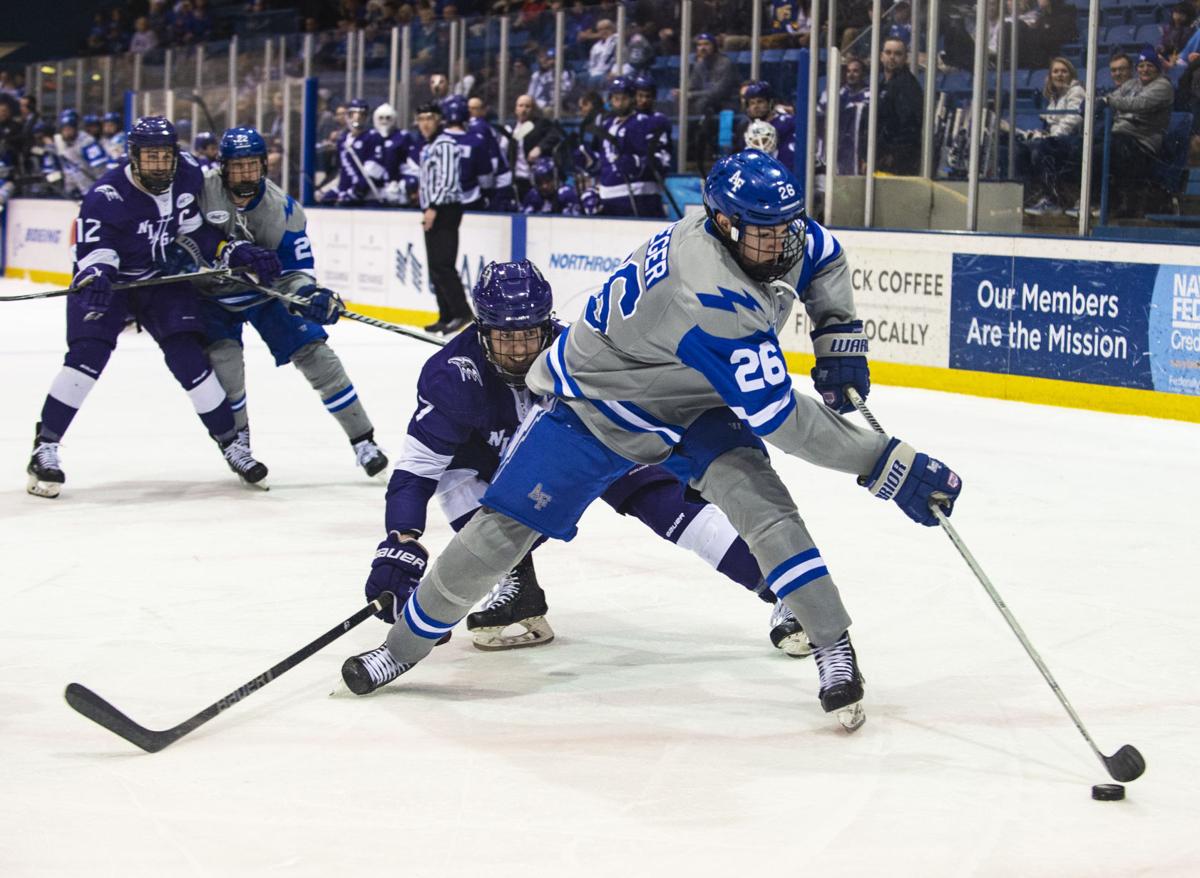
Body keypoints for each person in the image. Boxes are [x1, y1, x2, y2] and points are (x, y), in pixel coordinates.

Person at [340, 149, 962, 734]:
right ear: (723, 223)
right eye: (763, 233)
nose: (779, 245)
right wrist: (886, 462)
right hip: (600, 406)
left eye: (783, 230)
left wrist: (839, 334)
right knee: (498, 532)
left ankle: (833, 644)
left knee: (766, 510)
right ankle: (399, 651)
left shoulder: (756, 234)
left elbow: (823, 257)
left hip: (688, 399)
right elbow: (784, 422)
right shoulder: (710, 295)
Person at [372, 259, 806, 652]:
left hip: (583, 440)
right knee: (457, 473)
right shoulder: (454, 375)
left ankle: (783, 590)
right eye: (506, 338)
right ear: (481, 330)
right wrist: (400, 540)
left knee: (661, 499)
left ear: (547, 324)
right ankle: (515, 584)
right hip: (502, 463)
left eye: (528, 335)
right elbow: (417, 469)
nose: (520, 350)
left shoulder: (580, 353)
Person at [25, 116, 278, 499]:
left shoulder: (189, 174)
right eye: (150, 157)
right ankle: (45, 446)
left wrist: (231, 249)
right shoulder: (105, 195)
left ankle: (232, 444)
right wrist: (96, 275)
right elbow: (95, 250)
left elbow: (196, 229)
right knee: (86, 357)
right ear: (133, 157)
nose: (159, 165)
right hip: (113, 284)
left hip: (161, 282)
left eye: (165, 156)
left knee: (189, 356)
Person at [196, 126, 390, 479]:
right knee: (226, 365)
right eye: (237, 167)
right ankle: (237, 445)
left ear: (264, 167)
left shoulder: (283, 209)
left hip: (264, 294)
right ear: (223, 167)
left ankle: (363, 440)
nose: (245, 175)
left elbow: (297, 272)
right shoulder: (200, 190)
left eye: (252, 166)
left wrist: (309, 296)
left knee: (317, 354)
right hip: (212, 297)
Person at [1081, 46, 1175, 217]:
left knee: (1098, 152)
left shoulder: (1163, 86)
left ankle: (1101, 202)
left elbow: (1138, 104)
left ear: (1157, 67)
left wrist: (1107, 101)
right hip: (1122, 137)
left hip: (1142, 142)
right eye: (1141, 65)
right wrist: (1094, 101)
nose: (1145, 69)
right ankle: (1091, 201)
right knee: (1084, 147)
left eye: (1149, 65)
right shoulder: (1133, 84)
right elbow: (1114, 95)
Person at [416, 102, 472, 334]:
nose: (425, 123)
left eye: (429, 118)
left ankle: (462, 312)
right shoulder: (429, 147)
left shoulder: (445, 144)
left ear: (439, 119)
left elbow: (447, 180)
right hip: (433, 207)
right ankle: (445, 314)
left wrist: (434, 207)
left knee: (443, 264)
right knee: (434, 266)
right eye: (421, 118)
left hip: (445, 208)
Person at [581, 76, 664, 217]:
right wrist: (587, 161)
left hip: (637, 196)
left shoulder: (644, 123)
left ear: (632, 99)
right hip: (607, 195)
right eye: (615, 98)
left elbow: (658, 160)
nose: (619, 103)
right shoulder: (606, 124)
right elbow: (602, 161)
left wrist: (635, 163)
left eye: (623, 98)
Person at [1020, 57, 1086, 216]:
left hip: (1072, 140)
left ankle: (1052, 200)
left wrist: (1050, 137)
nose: (1060, 75)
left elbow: (1074, 119)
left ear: (1071, 74)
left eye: (1064, 71)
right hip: (1056, 139)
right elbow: (1052, 124)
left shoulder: (1076, 91)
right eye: (1055, 71)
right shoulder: (1054, 97)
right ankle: (1030, 198)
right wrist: (1042, 134)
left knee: (1040, 148)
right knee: (1021, 148)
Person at [817, 56, 870, 176]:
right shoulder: (838, 92)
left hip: (858, 150)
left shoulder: (870, 94)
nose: (851, 74)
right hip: (840, 150)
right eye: (849, 71)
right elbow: (821, 112)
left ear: (863, 74)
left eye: (856, 71)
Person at [876, 37, 923, 175]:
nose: (892, 57)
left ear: (905, 58)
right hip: (879, 157)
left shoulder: (908, 86)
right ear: (881, 56)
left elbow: (909, 126)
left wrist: (893, 154)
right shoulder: (881, 84)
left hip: (897, 163)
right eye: (888, 52)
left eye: (897, 54)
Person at [440, 95, 494, 212]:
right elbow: (486, 180)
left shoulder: (435, 141)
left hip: (441, 201)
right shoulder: (476, 141)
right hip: (471, 200)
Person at [507, 93, 561, 202]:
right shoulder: (512, 128)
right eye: (521, 106)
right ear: (516, 109)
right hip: (517, 178)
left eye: (527, 106)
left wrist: (539, 148)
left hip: (536, 178)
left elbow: (554, 135)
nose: (524, 109)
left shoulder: (540, 124)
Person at [332, 98, 386, 204]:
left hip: (367, 198)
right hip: (344, 193)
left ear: (367, 117)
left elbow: (374, 170)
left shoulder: (373, 137)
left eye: (362, 115)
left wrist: (355, 192)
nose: (357, 118)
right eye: (353, 114)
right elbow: (341, 171)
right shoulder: (343, 139)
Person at [734, 80, 797, 170]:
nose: (756, 106)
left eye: (760, 102)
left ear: (770, 103)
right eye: (752, 103)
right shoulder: (746, 128)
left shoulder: (787, 123)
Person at [53, 109, 109, 197]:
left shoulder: (87, 142)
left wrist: (101, 190)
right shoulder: (62, 143)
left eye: (69, 129)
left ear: (75, 128)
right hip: (75, 191)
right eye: (64, 130)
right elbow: (68, 169)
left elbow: (100, 168)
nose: (66, 133)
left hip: (92, 191)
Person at [373, 102, 420, 206]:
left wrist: (401, 184)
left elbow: (412, 165)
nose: (384, 121)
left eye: (388, 118)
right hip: (375, 187)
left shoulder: (402, 137)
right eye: (381, 118)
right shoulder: (372, 137)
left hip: (396, 185)